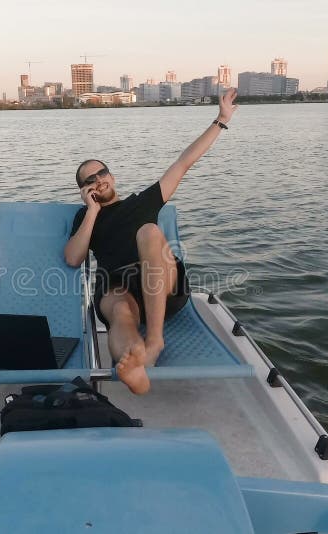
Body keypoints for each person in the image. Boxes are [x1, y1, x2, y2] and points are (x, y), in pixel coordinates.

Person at [64, 88, 238, 394]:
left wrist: (220, 120)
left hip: (161, 282)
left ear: (112, 176)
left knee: (148, 232)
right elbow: (73, 259)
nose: (98, 180)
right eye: (89, 180)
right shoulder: (84, 218)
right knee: (119, 313)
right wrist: (92, 212)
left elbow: (183, 163)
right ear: (84, 190)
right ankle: (136, 365)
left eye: (101, 173)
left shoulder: (142, 203)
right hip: (119, 289)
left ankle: (154, 340)